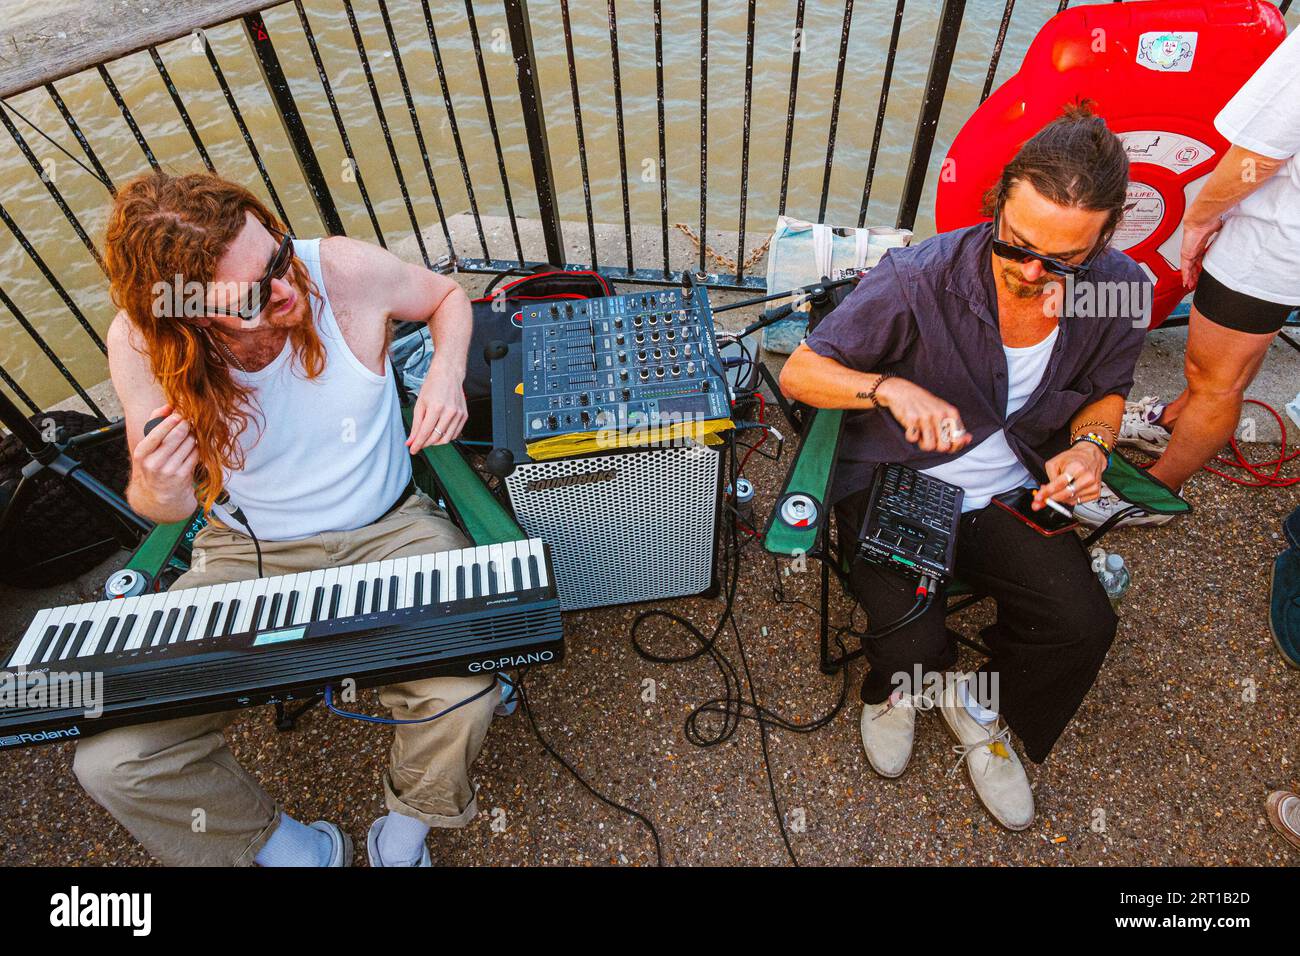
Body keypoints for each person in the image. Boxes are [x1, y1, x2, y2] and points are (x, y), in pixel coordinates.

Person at [72, 170, 493, 867]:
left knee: (466, 687)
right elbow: (163, 509)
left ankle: (407, 829)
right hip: (243, 553)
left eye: (276, 259)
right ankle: (288, 850)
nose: (286, 290)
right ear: (183, 310)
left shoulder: (345, 269)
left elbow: (446, 296)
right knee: (116, 759)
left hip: (390, 529)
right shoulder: (142, 343)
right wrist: (156, 484)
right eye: (249, 294)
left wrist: (446, 370)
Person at [779, 104, 1150, 830]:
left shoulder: (1119, 289)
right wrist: (887, 387)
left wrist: (1092, 446)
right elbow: (800, 370)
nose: (1033, 273)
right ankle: (897, 688)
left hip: (1010, 488)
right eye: (1017, 246)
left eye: (1064, 260)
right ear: (1000, 199)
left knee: (1083, 624)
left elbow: (1109, 392)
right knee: (914, 637)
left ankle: (978, 699)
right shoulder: (919, 277)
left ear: (1106, 234)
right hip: (895, 478)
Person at [1077, 28, 1300, 527]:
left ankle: (1159, 489)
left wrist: (1197, 218)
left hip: (1271, 243)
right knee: (1226, 368)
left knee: (1216, 379)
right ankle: (1170, 422)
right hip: (1285, 245)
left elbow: (1259, 157)